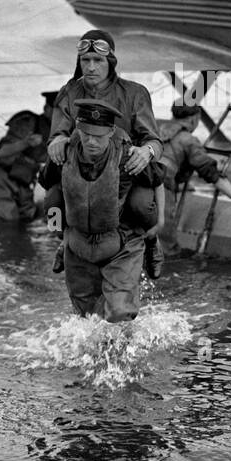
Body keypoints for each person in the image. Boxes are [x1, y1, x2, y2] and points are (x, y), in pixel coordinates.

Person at [48, 30, 164, 277]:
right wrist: (57, 141)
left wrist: (146, 151)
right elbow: (56, 133)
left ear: (110, 62)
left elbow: (154, 140)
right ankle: (62, 239)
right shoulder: (69, 92)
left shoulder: (135, 93)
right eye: (85, 61)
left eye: (98, 60)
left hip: (123, 172)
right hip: (80, 170)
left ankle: (150, 240)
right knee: (51, 207)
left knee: (143, 208)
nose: (91, 67)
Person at [39, 99, 163, 322]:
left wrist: (159, 223)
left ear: (111, 131)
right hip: (78, 239)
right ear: (78, 129)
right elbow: (45, 182)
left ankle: (150, 244)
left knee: (119, 312)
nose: (91, 141)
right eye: (86, 134)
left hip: (119, 240)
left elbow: (159, 180)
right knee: (86, 318)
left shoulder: (127, 156)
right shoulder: (65, 153)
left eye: (98, 136)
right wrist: (60, 231)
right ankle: (61, 243)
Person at [158, 101, 231, 210]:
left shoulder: (155, 128)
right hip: (159, 192)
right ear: (194, 119)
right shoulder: (189, 141)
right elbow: (212, 174)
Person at [0, 91, 57, 225]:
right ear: (47, 109)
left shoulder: (62, 131)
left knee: (25, 224)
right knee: (8, 226)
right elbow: (1, 153)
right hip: (3, 181)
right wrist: (25, 143)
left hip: (25, 184)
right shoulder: (29, 123)